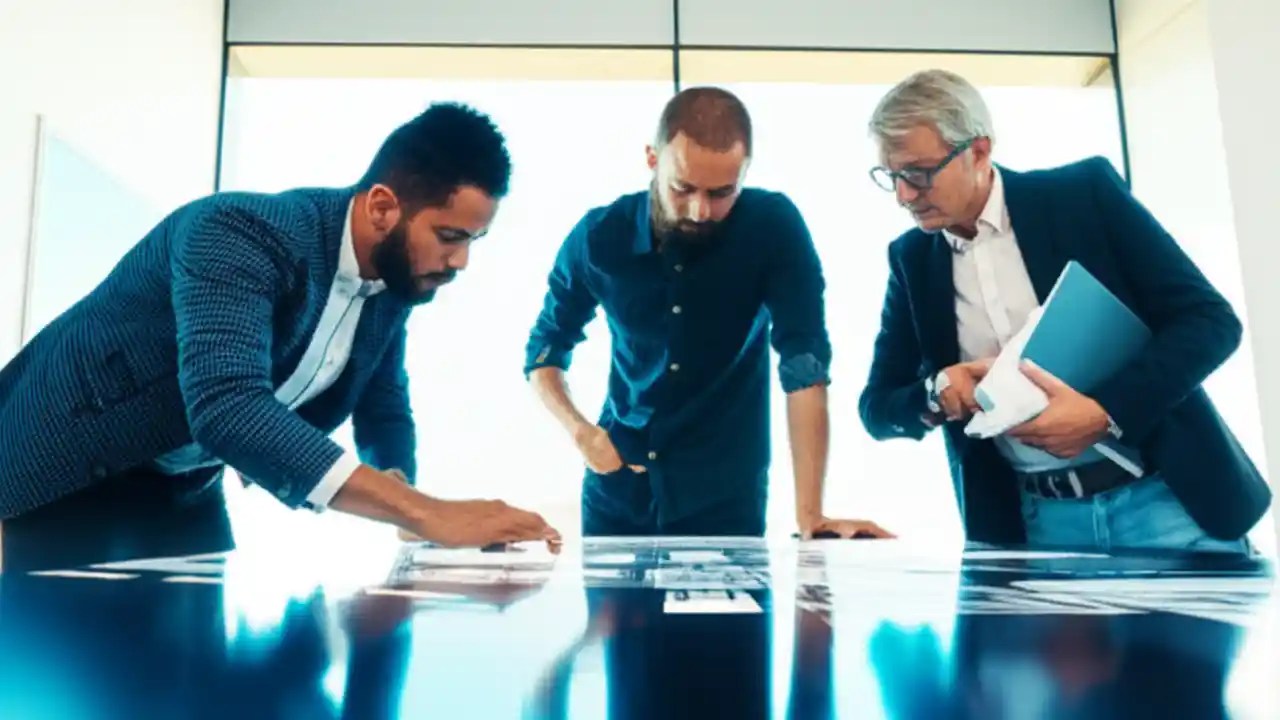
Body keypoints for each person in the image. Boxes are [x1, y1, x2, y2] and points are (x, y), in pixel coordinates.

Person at [0, 102, 560, 572]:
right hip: (59, 465)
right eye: (449, 236)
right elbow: (226, 407)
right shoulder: (238, 231)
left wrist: (400, 493)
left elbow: (383, 403)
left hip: (182, 486)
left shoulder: (391, 289)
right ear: (384, 206)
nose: (460, 261)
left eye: (474, 241)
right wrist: (424, 510)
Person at [857, 69, 1271, 551]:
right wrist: (938, 393)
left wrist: (1106, 413)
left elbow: (1210, 322)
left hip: (1166, 505)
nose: (904, 194)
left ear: (979, 150)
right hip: (1038, 529)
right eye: (892, 176)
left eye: (919, 173)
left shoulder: (1082, 196)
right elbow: (878, 408)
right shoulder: (912, 261)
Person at [524, 86, 892, 539]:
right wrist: (581, 433)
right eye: (684, 188)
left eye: (722, 193)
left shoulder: (773, 229)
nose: (701, 210)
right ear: (652, 160)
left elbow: (804, 366)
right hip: (616, 488)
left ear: (745, 173)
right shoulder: (599, 236)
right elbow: (544, 350)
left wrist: (810, 514)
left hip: (725, 498)